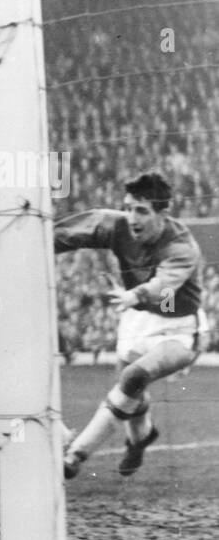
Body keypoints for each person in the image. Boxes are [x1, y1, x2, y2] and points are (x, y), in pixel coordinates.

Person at [56, 172, 209, 477]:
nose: (132, 217)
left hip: (178, 328)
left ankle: (75, 454)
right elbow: (71, 232)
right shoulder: (117, 225)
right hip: (137, 318)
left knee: (132, 377)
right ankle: (140, 438)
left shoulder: (180, 247)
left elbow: (163, 284)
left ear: (162, 214)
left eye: (141, 210)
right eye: (128, 207)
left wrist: (135, 294)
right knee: (131, 389)